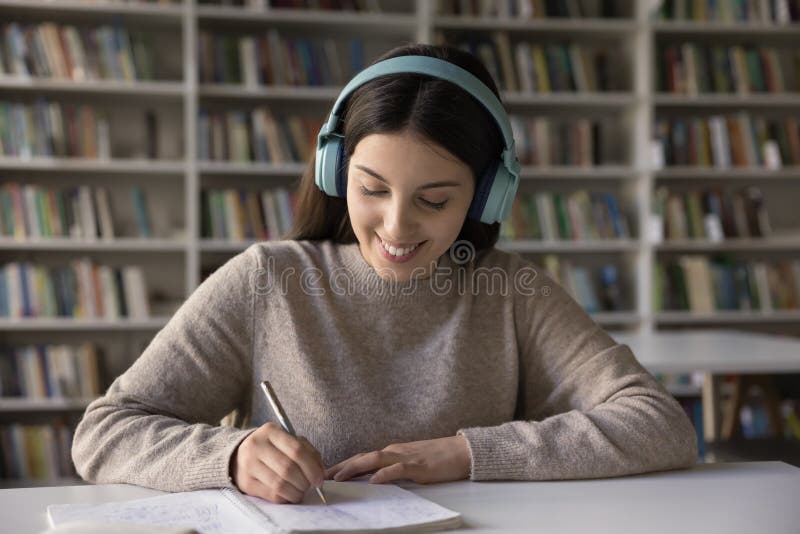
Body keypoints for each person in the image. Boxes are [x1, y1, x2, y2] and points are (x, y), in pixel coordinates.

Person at [72, 43, 697, 505]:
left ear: (486, 199)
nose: (396, 228)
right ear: (335, 170)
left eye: (433, 200)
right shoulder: (267, 280)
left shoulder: (509, 292)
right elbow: (103, 432)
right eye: (371, 189)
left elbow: (660, 424)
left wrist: (467, 453)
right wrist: (230, 456)